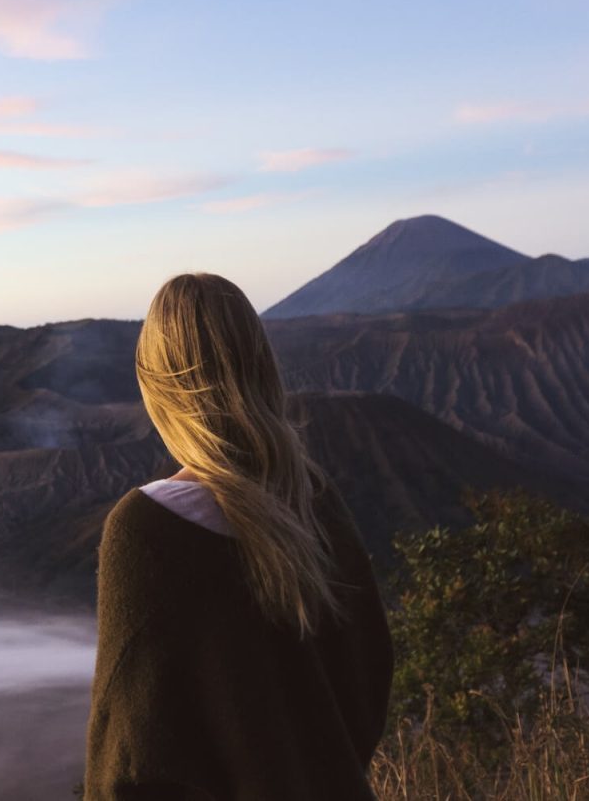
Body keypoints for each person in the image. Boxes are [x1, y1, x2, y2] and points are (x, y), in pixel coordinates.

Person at [83, 272, 395, 800]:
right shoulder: (315, 502)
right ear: (263, 367)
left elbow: (129, 748)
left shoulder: (147, 530)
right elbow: (369, 673)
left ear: (159, 387)